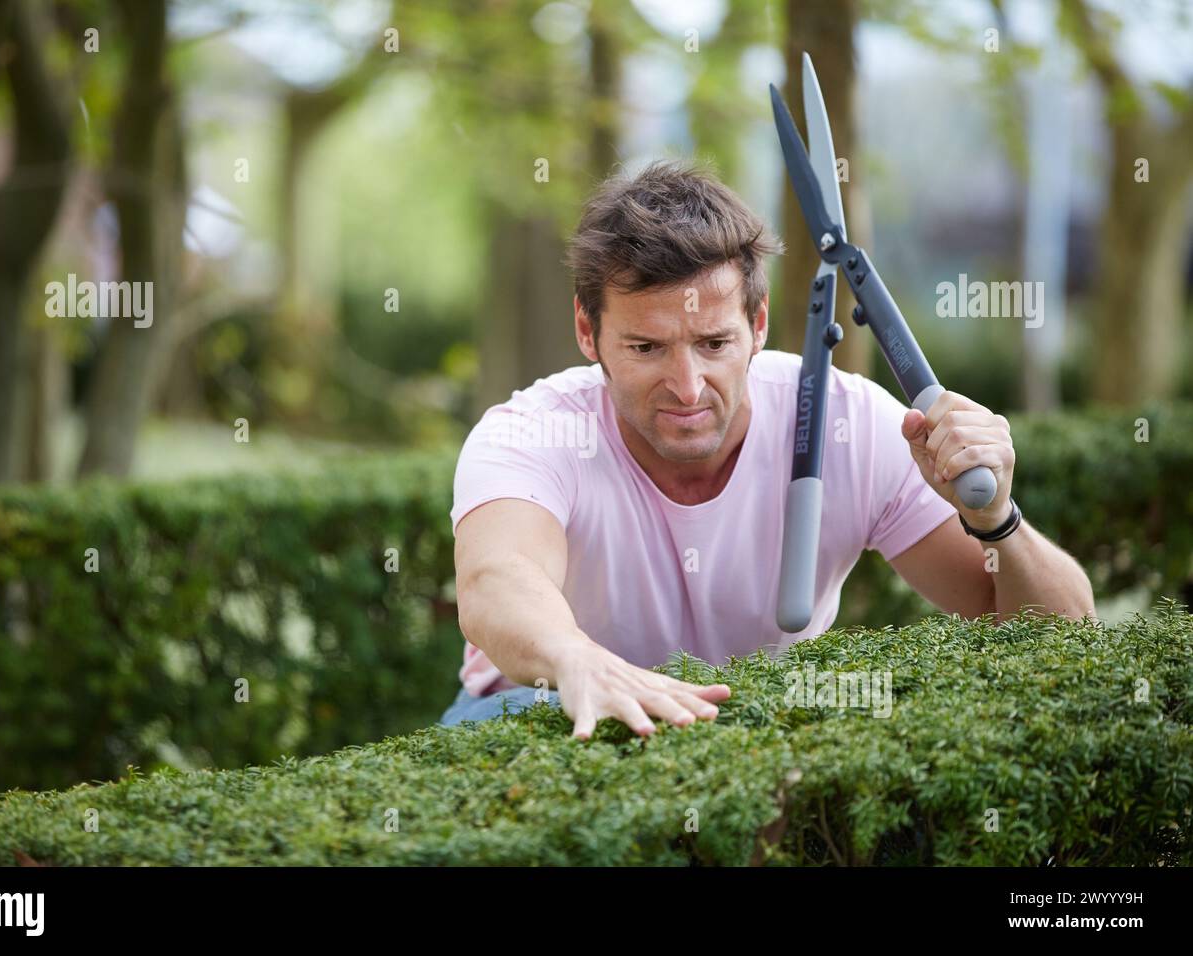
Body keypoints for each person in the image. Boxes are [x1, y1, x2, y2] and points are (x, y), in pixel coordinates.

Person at [440, 159, 1095, 737]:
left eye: (713, 344)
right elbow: (498, 580)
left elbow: (1057, 635)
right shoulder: (533, 431)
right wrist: (574, 658)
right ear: (589, 332)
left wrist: (996, 522)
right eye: (646, 348)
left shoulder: (853, 420)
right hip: (537, 708)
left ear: (757, 326)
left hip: (756, 729)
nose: (688, 387)